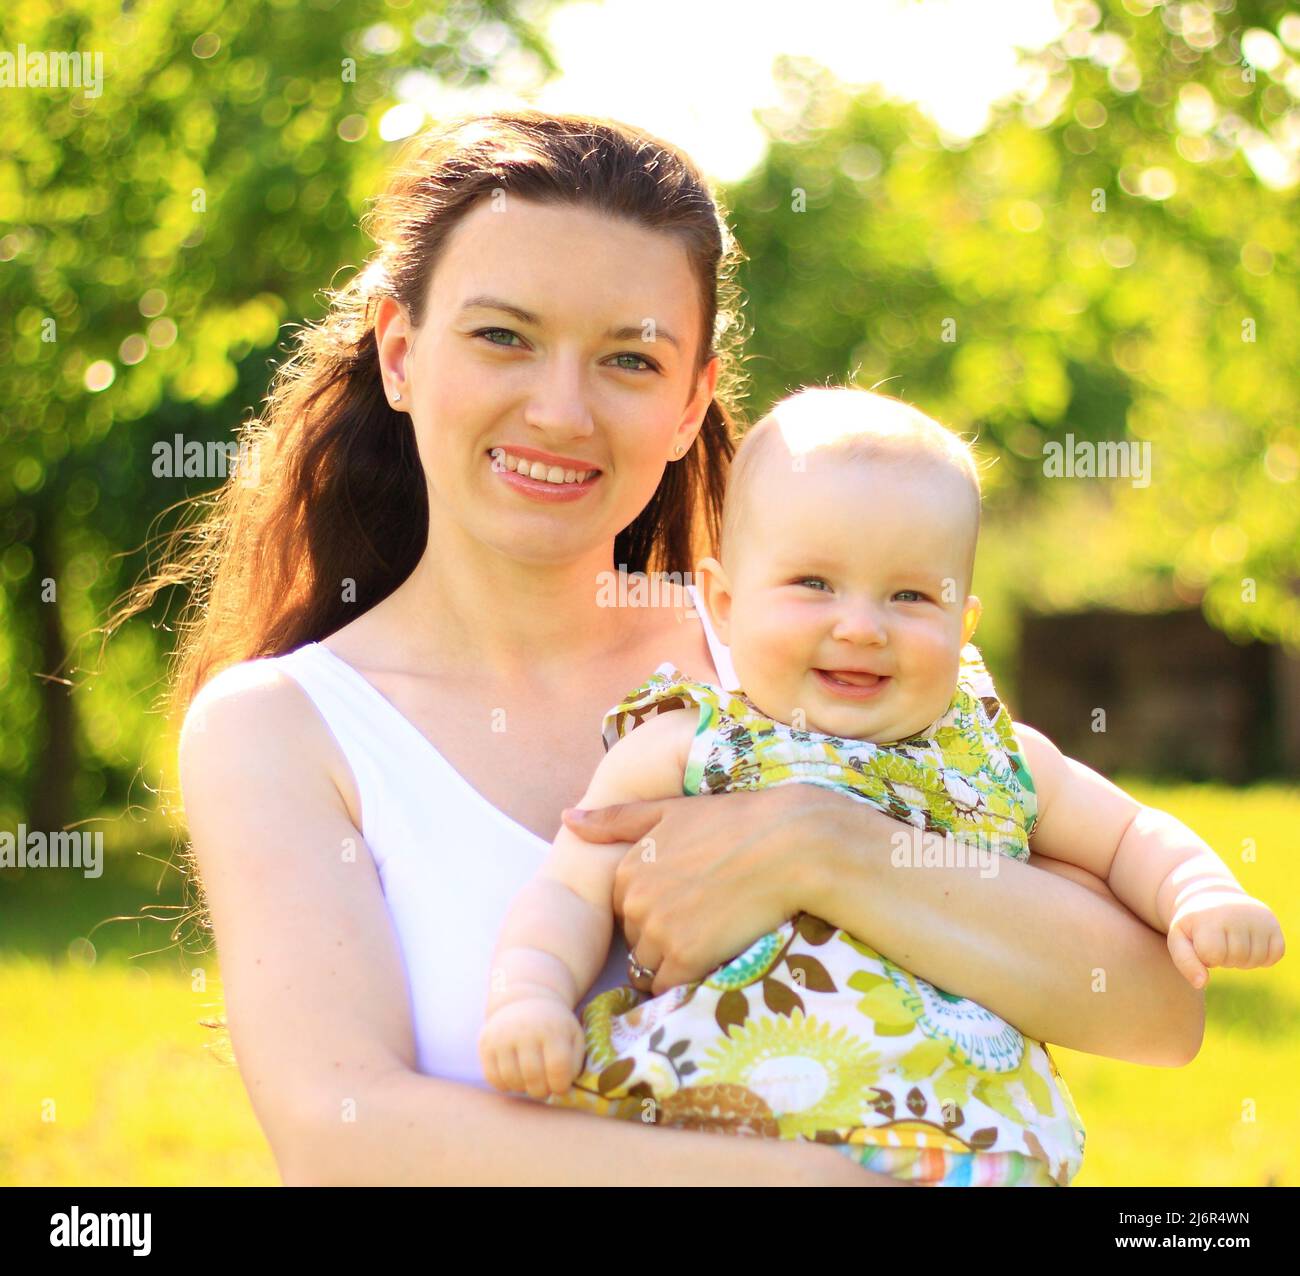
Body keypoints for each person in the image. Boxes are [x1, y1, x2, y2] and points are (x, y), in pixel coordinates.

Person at [150, 110, 1205, 1186]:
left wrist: (817, 841)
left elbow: (1156, 1010)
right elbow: (346, 1134)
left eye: (628, 357)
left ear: (692, 399)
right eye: (503, 336)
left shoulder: (815, 652)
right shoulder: (285, 726)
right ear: (402, 351)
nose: (560, 409)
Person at [479, 387, 1284, 1186]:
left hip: (975, 1149)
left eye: (909, 596)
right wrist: (530, 998)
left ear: (962, 625)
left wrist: (1200, 894)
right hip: (731, 1134)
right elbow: (572, 890)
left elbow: (1131, 833)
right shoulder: (690, 745)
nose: (861, 626)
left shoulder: (998, 756)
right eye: (814, 585)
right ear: (723, 605)